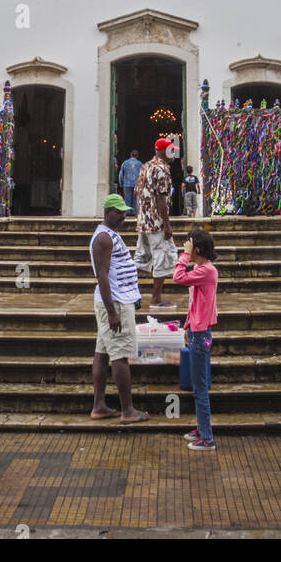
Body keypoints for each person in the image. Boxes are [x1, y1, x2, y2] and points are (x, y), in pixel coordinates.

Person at [89, 194, 147, 424]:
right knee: (120, 356)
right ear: (108, 212)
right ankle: (128, 410)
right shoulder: (104, 238)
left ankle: (99, 405)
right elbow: (102, 275)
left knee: (102, 353)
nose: (124, 216)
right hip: (115, 304)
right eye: (119, 212)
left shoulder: (110, 235)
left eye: (125, 211)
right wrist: (112, 311)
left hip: (120, 299)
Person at [173, 228, 218, 450]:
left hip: (201, 335)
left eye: (189, 246)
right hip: (196, 331)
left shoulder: (207, 271)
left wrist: (183, 257)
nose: (186, 249)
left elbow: (177, 277)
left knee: (200, 387)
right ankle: (201, 428)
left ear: (196, 249)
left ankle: (207, 437)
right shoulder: (202, 269)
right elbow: (195, 304)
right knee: (197, 386)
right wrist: (187, 326)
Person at [134, 137, 176, 309]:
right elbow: (161, 199)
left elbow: (139, 191)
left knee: (140, 259)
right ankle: (156, 299)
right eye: (172, 150)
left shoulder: (146, 166)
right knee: (163, 257)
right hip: (156, 223)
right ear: (164, 151)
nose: (174, 154)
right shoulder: (162, 169)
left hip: (143, 221)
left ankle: (130, 294)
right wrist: (166, 224)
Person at [118, 148, 143, 214]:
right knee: (135, 199)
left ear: (130, 155)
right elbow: (143, 175)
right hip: (136, 184)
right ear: (137, 156)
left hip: (127, 184)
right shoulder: (140, 164)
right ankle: (134, 213)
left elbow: (121, 174)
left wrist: (121, 183)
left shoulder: (125, 163)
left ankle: (127, 213)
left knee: (127, 199)